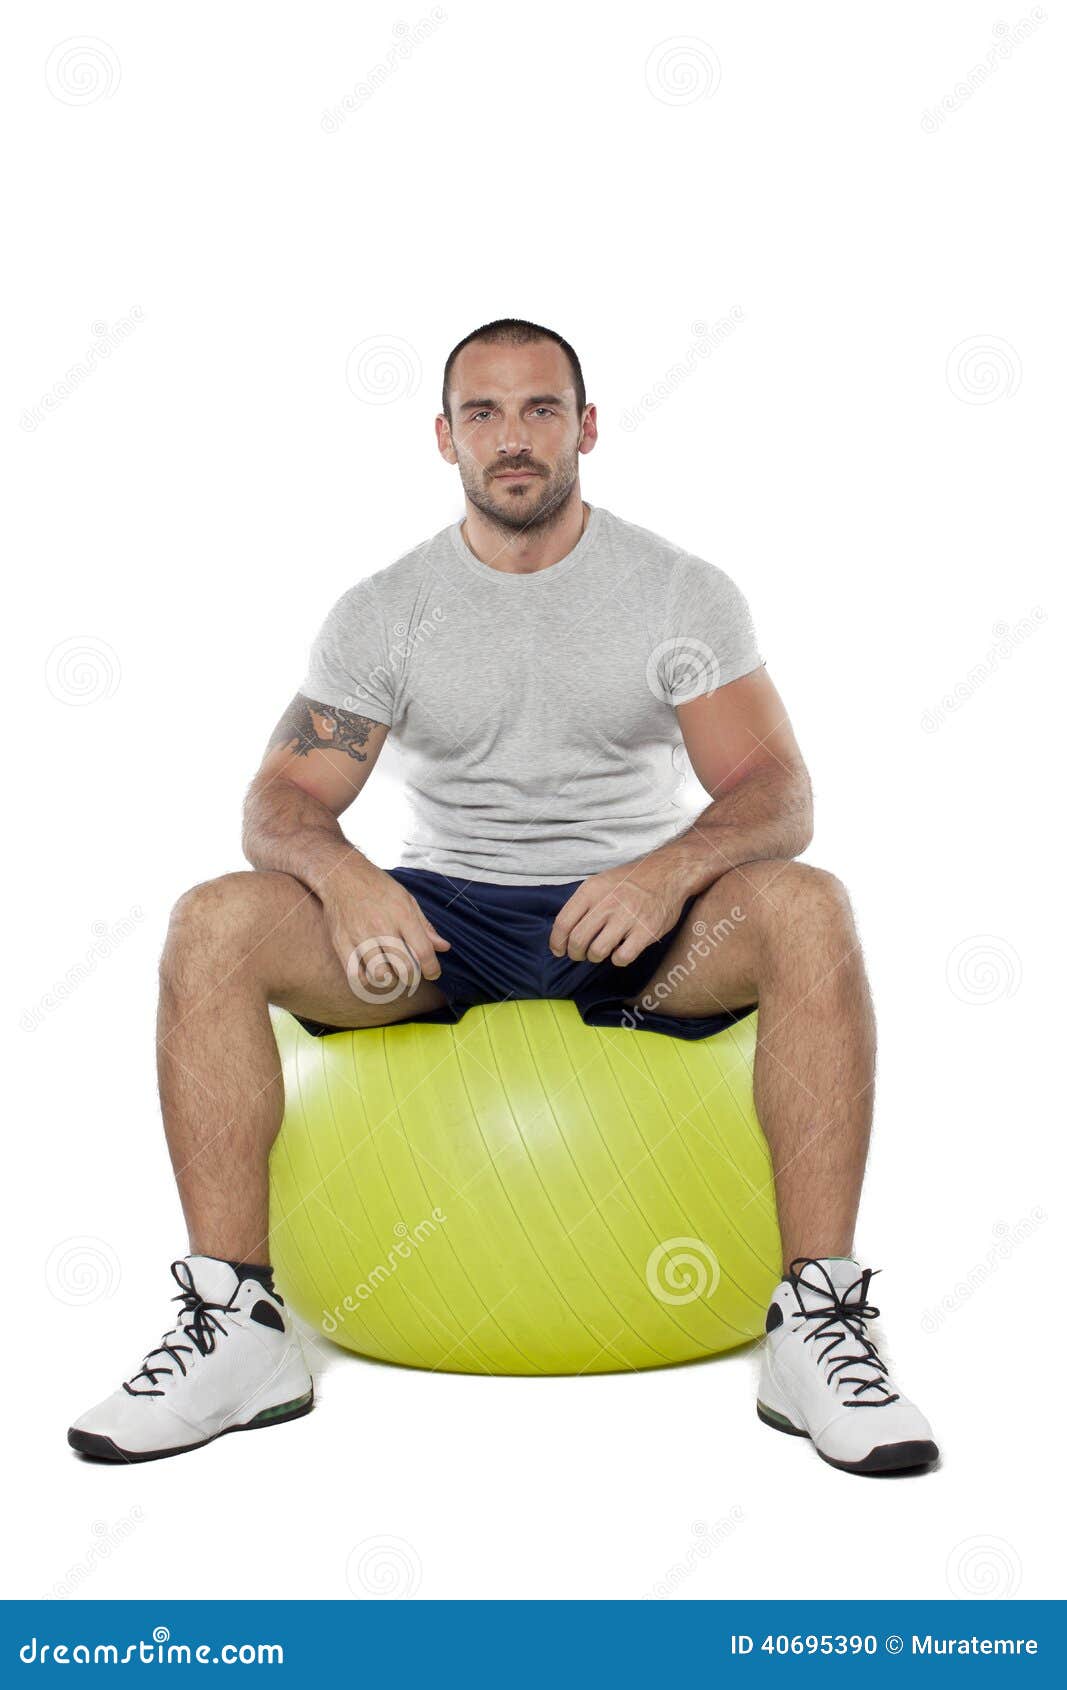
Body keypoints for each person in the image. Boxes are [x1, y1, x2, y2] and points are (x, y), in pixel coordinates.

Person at [69, 318, 938, 1474]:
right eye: (482, 412)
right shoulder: (384, 611)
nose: (511, 438)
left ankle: (814, 1322)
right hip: (441, 925)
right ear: (444, 438)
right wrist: (347, 875)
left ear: (584, 428)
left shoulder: (675, 591)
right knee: (213, 919)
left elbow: (775, 791)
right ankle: (239, 1326)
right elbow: (278, 803)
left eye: (539, 410)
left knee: (808, 902)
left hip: (639, 927)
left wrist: (664, 868)